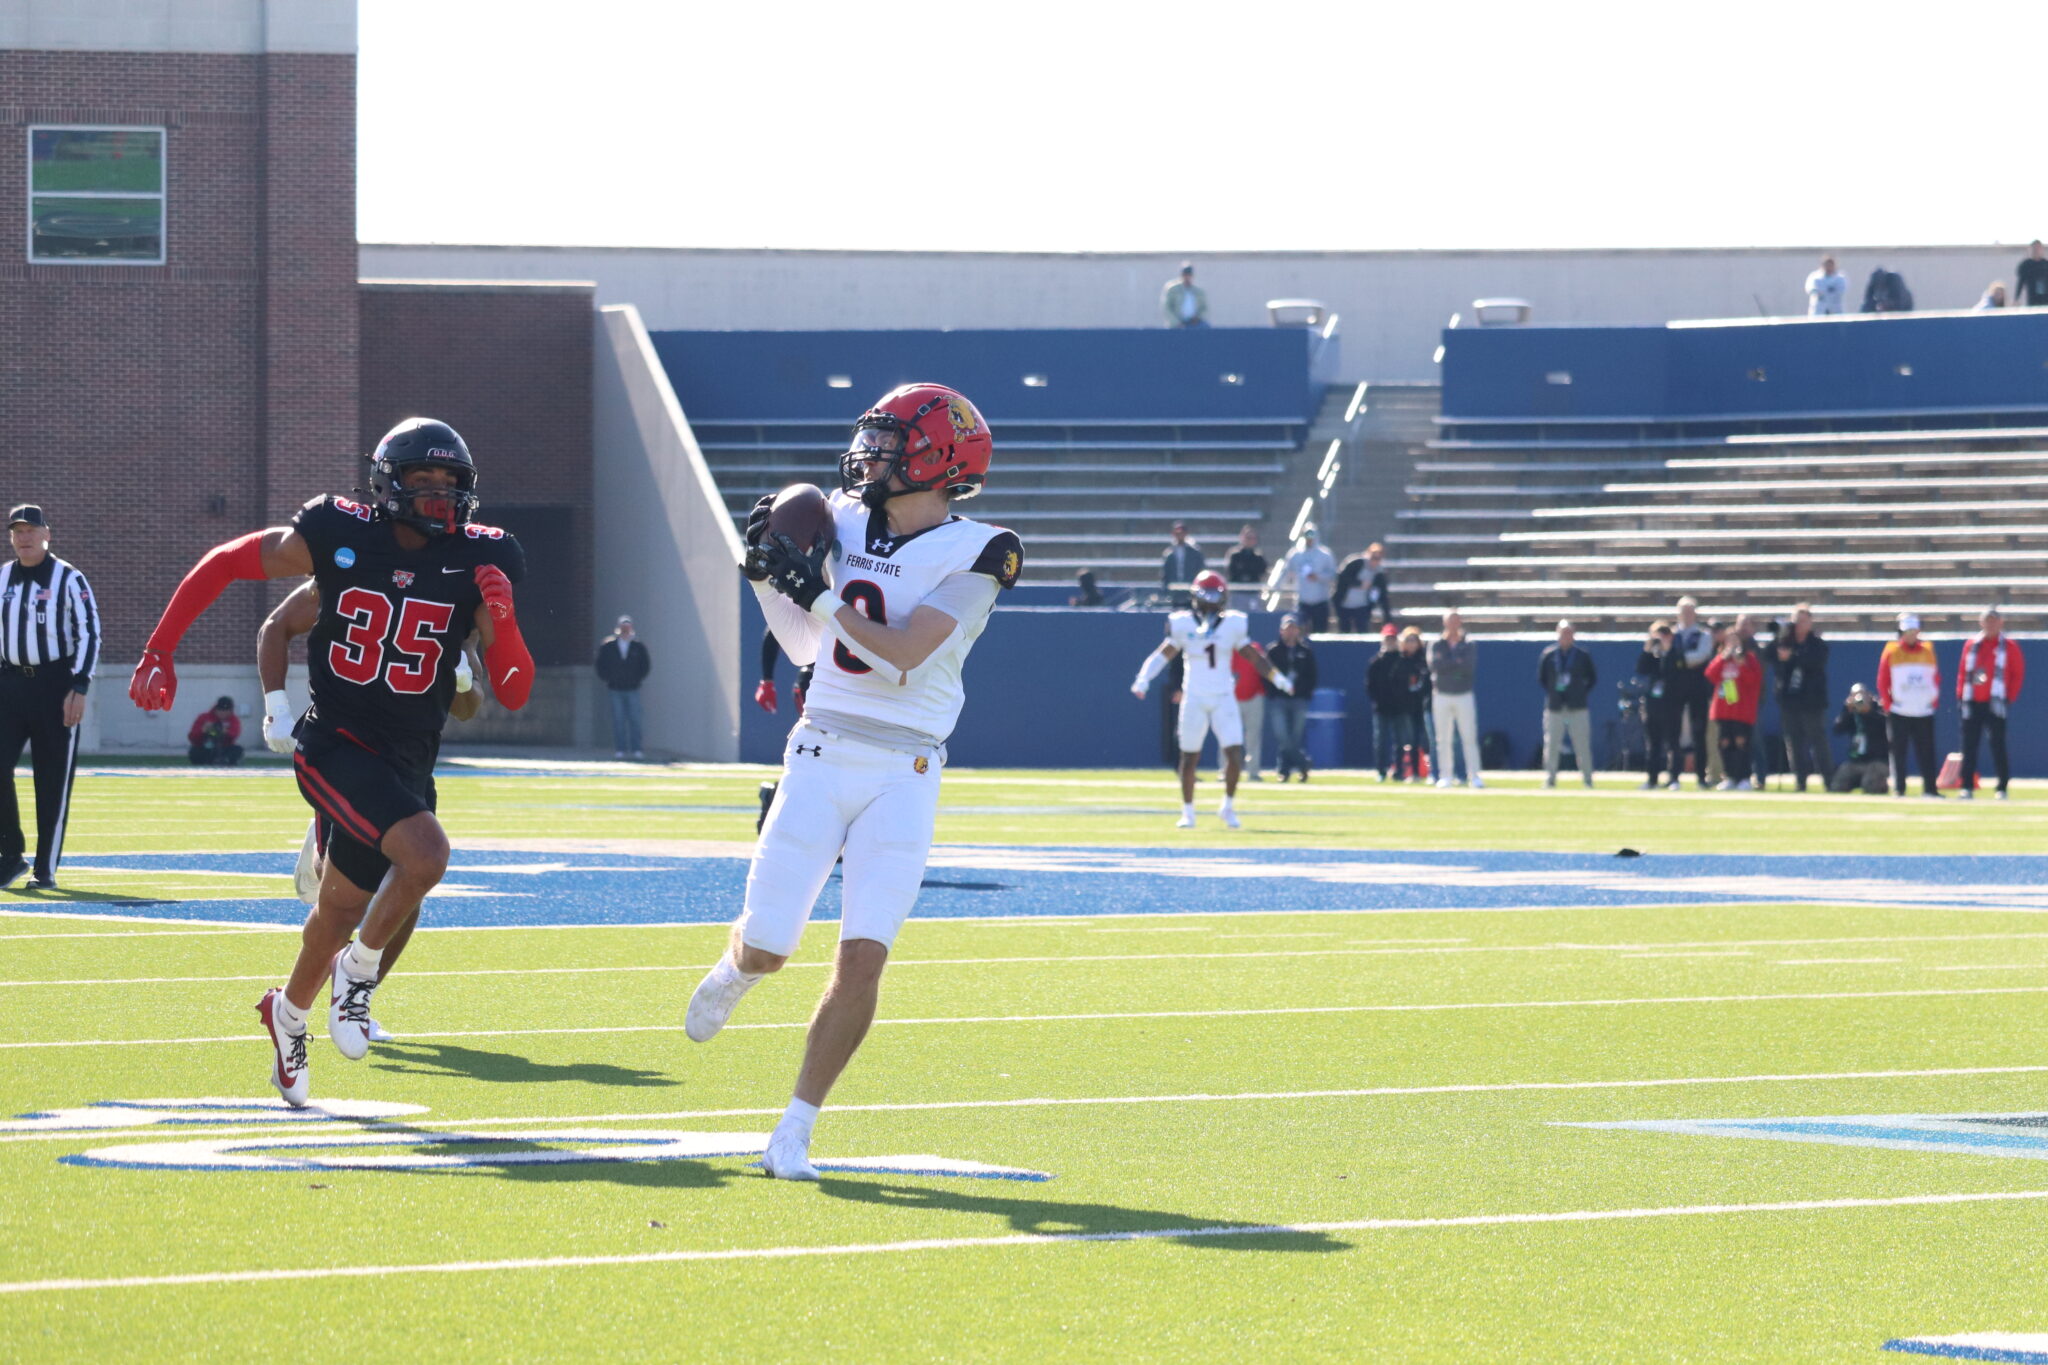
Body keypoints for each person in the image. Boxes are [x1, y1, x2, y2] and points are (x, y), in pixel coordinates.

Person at [130, 417, 534, 1106]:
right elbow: (229, 560)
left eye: (450, 481)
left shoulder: (481, 557)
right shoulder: (341, 532)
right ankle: (359, 975)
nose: (438, 493)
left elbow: (516, 690)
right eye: (422, 478)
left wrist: (504, 616)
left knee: (339, 909)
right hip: (336, 742)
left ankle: (287, 1015)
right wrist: (160, 647)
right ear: (387, 482)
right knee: (427, 854)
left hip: (409, 755)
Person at [685, 382, 1024, 1181]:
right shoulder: (836, 514)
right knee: (769, 946)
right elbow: (807, 645)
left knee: (862, 956)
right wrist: (770, 579)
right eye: (871, 440)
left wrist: (822, 592)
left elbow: (906, 651)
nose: (869, 455)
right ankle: (737, 968)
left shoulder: (982, 549)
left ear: (937, 461)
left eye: (889, 443)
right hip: (823, 748)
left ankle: (795, 1128)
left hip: (906, 766)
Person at [257, 578, 485, 1044]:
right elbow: (277, 624)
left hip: (412, 766)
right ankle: (294, 1007)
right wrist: (276, 704)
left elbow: (468, 706)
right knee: (345, 902)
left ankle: (355, 999)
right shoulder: (354, 562)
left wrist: (462, 676)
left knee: (409, 893)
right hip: (351, 758)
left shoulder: (455, 592)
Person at [1131, 569, 1292, 828]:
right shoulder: (1182, 623)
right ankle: (1187, 811)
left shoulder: (1233, 623)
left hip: (1223, 696)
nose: (1211, 601)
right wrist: (1143, 678)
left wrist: (1279, 679)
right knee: (1189, 756)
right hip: (1194, 696)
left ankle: (1227, 806)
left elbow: (1254, 657)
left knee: (1235, 753)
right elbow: (1163, 654)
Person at [0, 504, 99, 890]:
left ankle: (45, 868)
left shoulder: (69, 579)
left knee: (51, 778)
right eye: (17, 531)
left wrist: (79, 686)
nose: (23, 538)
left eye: (30, 530)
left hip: (55, 686)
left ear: (46, 534)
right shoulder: (4, 577)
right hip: (9, 685)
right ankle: (10, 856)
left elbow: (90, 633)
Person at [1956, 606, 2024, 801]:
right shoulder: (1971, 645)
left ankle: (2002, 787)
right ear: (1981, 623)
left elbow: (2017, 675)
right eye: (1988, 620)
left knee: (1998, 746)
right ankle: (1966, 786)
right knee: (1969, 747)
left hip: (1995, 703)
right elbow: (1963, 672)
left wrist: (2008, 698)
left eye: (1994, 621)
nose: (1991, 624)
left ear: (2000, 623)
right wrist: (1961, 696)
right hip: (1972, 702)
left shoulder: (2009, 646)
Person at [1877, 612, 1941, 798]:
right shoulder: (1892, 651)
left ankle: (1930, 789)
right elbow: (1883, 680)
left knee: (1927, 752)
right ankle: (1899, 788)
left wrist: (1933, 699)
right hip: (1900, 710)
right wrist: (1889, 704)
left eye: (1914, 631)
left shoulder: (1928, 650)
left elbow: (1935, 677)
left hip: (1924, 710)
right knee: (1898, 753)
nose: (1911, 635)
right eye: (1908, 631)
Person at [1772, 603, 1831, 792]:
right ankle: (1800, 781)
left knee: (1817, 741)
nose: (1798, 624)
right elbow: (1769, 657)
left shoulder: (1817, 644)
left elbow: (1814, 661)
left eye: (1803, 621)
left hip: (1811, 702)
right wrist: (1779, 638)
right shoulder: (1785, 642)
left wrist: (1792, 657)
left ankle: (1829, 781)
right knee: (1794, 743)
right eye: (1796, 621)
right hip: (1790, 701)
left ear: (1810, 623)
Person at [1538, 619, 1597, 787]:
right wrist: (1554, 693)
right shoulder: (1549, 655)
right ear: (1557, 633)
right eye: (1563, 633)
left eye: (1569, 633)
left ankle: (1587, 779)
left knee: (1582, 744)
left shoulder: (1582, 655)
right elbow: (1542, 679)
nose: (1566, 636)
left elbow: (1592, 678)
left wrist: (1579, 693)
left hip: (1577, 706)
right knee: (1552, 744)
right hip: (1555, 706)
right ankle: (1550, 779)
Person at [1664, 596, 1715, 789]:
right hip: (1674, 690)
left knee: (1699, 732)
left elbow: (1701, 656)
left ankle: (1701, 776)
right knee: (1673, 734)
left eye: (1689, 611)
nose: (1686, 615)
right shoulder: (1672, 635)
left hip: (1697, 688)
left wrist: (1678, 659)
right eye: (1683, 612)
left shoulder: (1703, 635)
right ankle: (1674, 776)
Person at [1429, 610, 1483, 788]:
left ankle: (1474, 775)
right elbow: (1435, 666)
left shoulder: (1468, 644)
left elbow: (1468, 667)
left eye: (1455, 621)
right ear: (1445, 623)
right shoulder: (1437, 644)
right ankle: (1445, 775)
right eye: (1449, 621)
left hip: (1463, 694)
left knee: (1469, 736)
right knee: (1443, 738)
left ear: (1459, 623)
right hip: (1442, 694)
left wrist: (1449, 663)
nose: (1452, 625)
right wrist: (1455, 662)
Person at [1705, 631, 1764, 791]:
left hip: (1742, 710)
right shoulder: (1722, 658)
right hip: (1724, 709)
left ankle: (1744, 776)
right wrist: (1722, 657)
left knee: (1741, 743)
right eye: (1729, 641)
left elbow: (1754, 680)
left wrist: (1741, 664)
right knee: (1725, 743)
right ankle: (1729, 775)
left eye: (1735, 641)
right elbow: (1710, 674)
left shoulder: (1749, 659)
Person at [1266, 614, 1316, 782]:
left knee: (1295, 736)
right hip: (1278, 699)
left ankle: (1284, 770)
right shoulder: (1273, 651)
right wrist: (1273, 692)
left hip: (1299, 699)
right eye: (1288, 628)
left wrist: (1302, 691)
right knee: (1282, 735)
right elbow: (1266, 674)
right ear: (1281, 631)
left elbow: (1312, 676)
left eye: (1294, 628)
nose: (1291, 632)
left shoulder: (1305, 652)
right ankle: (1303, 763)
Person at [595, 615, 650, 759]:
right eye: (623, 627)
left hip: (633, 688)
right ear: (618, 628)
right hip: (615, 688)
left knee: (635, 719)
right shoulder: (609, 646)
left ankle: (637, 749)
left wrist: (636, 679)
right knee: (618, 720)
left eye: (628, 627)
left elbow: (645, 666)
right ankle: (620, 749)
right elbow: (600, 665)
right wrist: (608, 678)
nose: (625, 630)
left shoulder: (638, 646)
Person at [1385, 626, 1431, 781]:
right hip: (1405, 707)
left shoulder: (1424, 660)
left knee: (1424, 740)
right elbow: (1394, 683)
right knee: (1407, 740)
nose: (1412, 644)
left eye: (1414, 640)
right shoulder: (1399, 661)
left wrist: (1419, 691)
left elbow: (1427, 682)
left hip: (1422, 705)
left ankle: (1424, 772)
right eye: (1409, 640)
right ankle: (1404, 771)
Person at [1636, 620, 1677, 789]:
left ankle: (1674, 778)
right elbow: (1641, 670)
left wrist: (1667, 649)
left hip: (1671, 703)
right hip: (1652, 705)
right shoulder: (1652, 654)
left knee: (1673, 744)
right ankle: (1652, 779)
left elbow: (1675, 672)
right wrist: (1647, 650)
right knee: (1653, 744)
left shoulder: (1674, 652)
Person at [1830, 684, 1892, 794]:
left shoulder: (1878, 708)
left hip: (1878, 761)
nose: (1859, 700)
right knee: (1838, 785)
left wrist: (1868, 712)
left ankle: (1881, 785)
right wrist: (1846, 710)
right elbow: (1837, 729)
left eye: (1862, 695)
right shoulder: (1851, 713)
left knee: (1870, 785)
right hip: (1857, 761)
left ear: (1868, 695)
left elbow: (1885, 725)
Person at [1280, 527, 1337, 633]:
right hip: (1303, 601)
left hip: (1320, 600)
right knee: (1301, 633)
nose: (1309, 539)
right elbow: (1287, 572)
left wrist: (1318, 577)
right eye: (1307, 536)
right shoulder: (1296, 555)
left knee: (1321, 633)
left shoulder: (1325, 554)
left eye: (1312, 535)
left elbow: (1333, 575)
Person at [1366, 623, 1400, 780]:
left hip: (1398, 708)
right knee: (1380, 741)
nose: (1390, 641)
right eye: (1388, 638)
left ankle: (1398, 770)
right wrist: (1377, 701)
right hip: (1380, 708)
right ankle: (1381, 770)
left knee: (1399, 741)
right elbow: (1369, 686)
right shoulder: (1376, 662)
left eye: (1392, 638)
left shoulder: (1401, 660)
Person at [1334, 543, 1393, 633]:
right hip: (1345, 605)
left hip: (1362, 607)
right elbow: (1342, 576)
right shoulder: (1356, 563)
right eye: (1373, 558)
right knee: (1344, 633)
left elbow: (1382, 595)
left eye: (1378, 559)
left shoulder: (1379, 573)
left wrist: (1387, 618)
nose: (1375, 561)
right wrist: (1359, 583)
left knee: (1362, 632)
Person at [1231, 647, 1267, 780]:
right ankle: (1225, 771)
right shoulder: (1226, 648)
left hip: (1254, 697)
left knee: (1253, 737)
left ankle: (1253, 772)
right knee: (1228, 737)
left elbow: (1265, 668)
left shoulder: (1255, 648)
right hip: (1231, 699)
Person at [186, 696, 244, 766]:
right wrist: (203, 730)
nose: (223, 713)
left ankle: (225, 761)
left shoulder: (233, 720)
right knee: (194, 751)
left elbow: (235, 734)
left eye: (226, 710)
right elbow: (192, 736)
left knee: (237, 750)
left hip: (224, 747)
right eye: (220, 710)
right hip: (205, 746)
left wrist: (224, 731)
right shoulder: (204, 717)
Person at [1225, 526, 1266, 611]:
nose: (1250, 540)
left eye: (1252, 538)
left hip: (1253, 593)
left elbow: (1262, 572)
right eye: (1248, 538)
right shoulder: (1235, 555)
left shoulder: (1258, 557)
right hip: (1237, 592)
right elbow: (1230, 572)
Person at [1160, 522, 1205, 600]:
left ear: (1186, 533)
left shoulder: (1195, 553)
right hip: (1173, 590)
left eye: (1181, 533)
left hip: (1191, 589)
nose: (1179, 535)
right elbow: (1165, 574)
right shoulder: (1168, 553)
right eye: (1177, 533)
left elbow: (1200, 570)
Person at [1161, 261, 1208, 328]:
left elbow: (1205, 308)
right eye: (1185, 274)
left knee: (1205, 327)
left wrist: (1198, 318)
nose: (1187, 277)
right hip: (1177, 324)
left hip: (1194, 324)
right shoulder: (1172, 289)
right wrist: (1176, 323)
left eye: (1189, 274)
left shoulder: (1198, 292)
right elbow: (1166, 308)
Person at [2018, 240, 2048, 308]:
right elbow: (2020, 282)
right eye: (2034, 248)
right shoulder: (2025, 265)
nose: (2036, 251)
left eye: (2038, 248)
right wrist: (2016, 298)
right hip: (2032, 300)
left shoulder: (2046, 264)